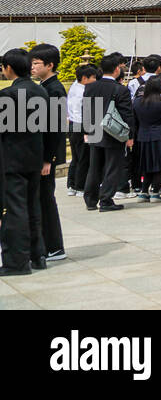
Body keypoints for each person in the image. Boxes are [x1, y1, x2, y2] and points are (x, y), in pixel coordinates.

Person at [0, 48, 56, 275]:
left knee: (14, 210)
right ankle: (37, 254)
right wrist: (47, 157)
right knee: (33, 207)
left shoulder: (9, 96)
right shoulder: (41, 92)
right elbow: (53, 128)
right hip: (35, 157)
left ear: (9, 68)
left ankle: (16, 261)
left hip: (12, 159)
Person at [29, 44, 68, 262]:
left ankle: (54, 246)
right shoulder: (44, 86)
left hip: (47, 156)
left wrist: (48, 159)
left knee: (46, 199)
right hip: (40, 154)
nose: (32, 67)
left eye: (36, 63)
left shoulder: (54, 89)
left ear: (50, 65)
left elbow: (55, 128)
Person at [82, 52, 135, 213]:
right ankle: (106, 199)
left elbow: (86, 109)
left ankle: (90, 200)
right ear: (117, 70)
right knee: (113, 167)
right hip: (113, 132)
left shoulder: (90, 87)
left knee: (94, 167)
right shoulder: (120, 90)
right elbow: (127, 114)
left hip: (94, 131)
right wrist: (130, 135)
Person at [131, 75, 161, 201]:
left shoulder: (138, 102)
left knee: (147, 164)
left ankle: (144, 191)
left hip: (143, 136)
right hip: (160, 135)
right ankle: (155, 191)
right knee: (160, 165)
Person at [66, 62, 93, 196]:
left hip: (72, 124)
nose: (95, 80)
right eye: (92, 77)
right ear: (84, 78)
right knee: (83, 157)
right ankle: (80, 186)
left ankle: (71, 185)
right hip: (81, 124)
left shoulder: (74, 86)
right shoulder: (84, 91)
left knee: (76, 157)